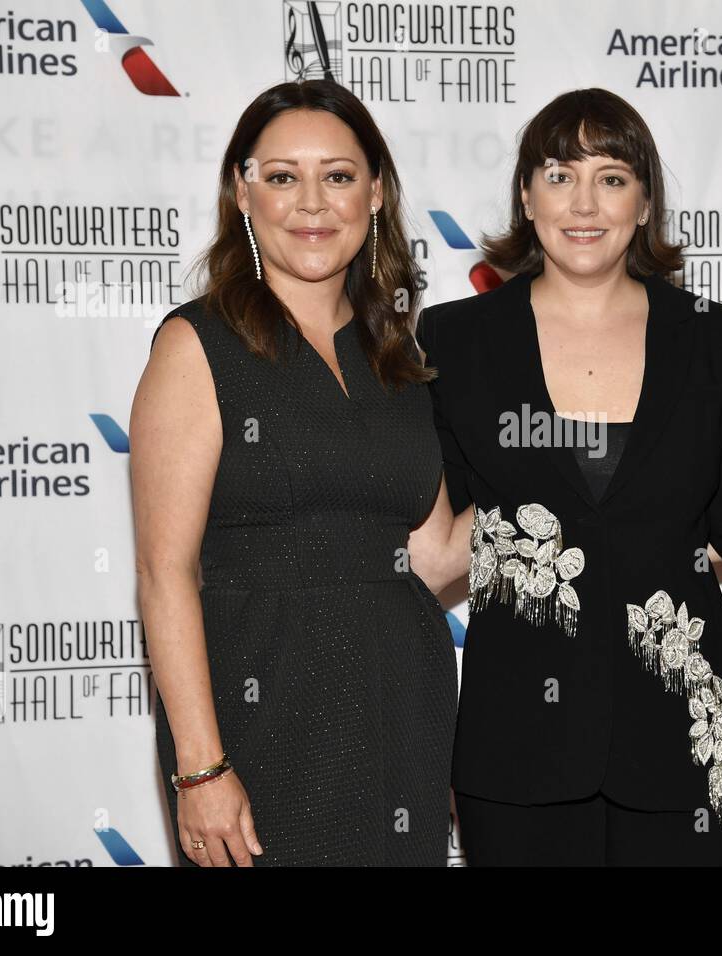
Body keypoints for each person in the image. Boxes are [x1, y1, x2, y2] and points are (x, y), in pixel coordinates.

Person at [408, 88, 722, 866]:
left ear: (644, 205)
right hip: (517, 744)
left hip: (684, 734)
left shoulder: (715, 339)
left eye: (611, 177)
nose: (584, 201)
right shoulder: (455, 338)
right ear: (527, 197)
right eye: (559, 174)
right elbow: (430, 536)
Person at [130, 80, 456, 866]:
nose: (313, 203)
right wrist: (201, 766)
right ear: (243, 191)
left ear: (376, 193)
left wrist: (560, 468)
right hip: (262, 707)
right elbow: (162, 570)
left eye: (339, 176)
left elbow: (437, 554)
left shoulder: (399, 356)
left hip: (402, 704)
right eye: (282, 177)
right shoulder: (197, 345)